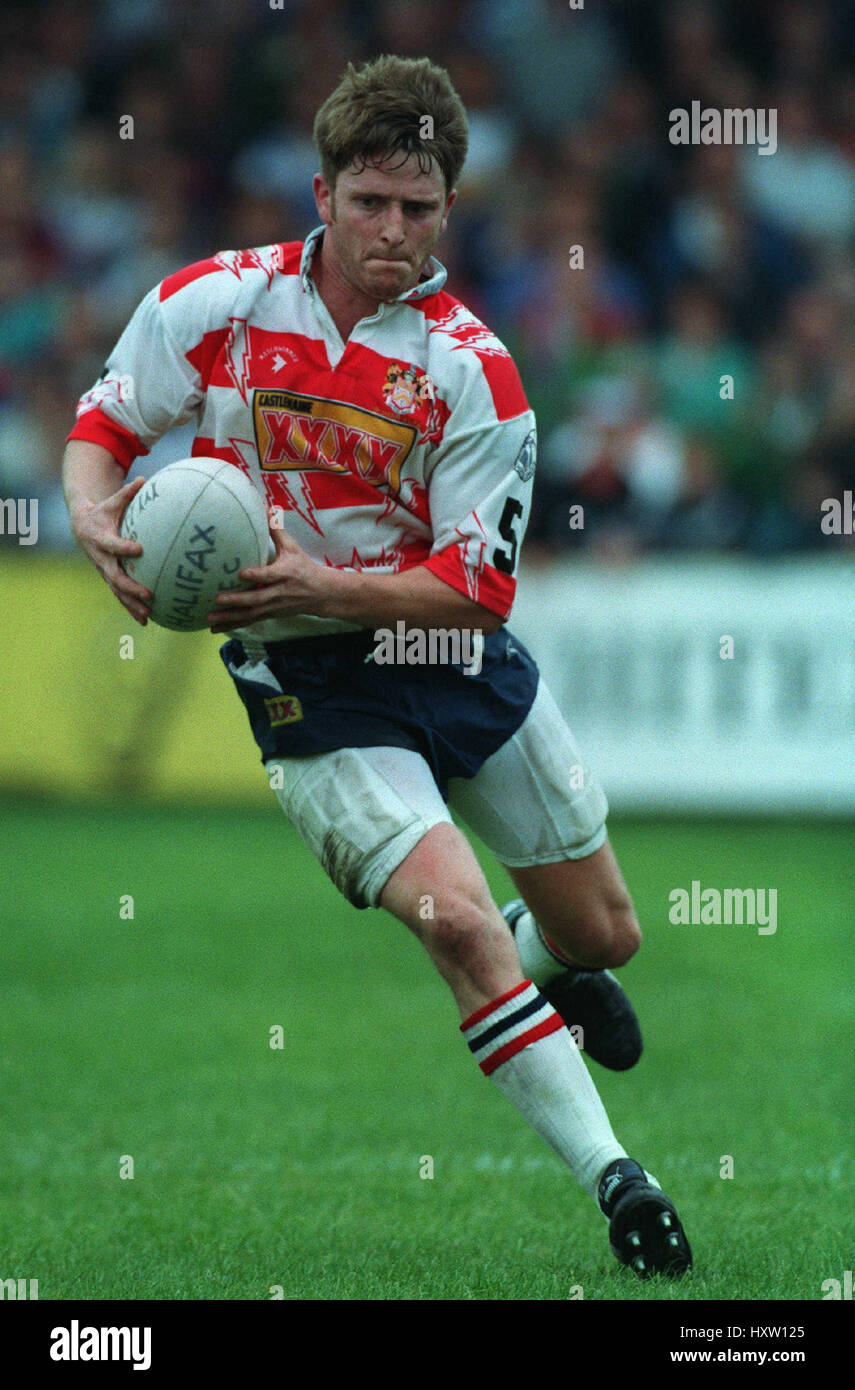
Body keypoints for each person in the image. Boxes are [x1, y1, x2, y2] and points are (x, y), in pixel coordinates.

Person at [62, 55, 691, 1279]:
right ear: (322, 193)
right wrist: (92, 518)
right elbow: (104, 426)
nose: (392, 230)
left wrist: (327, 583)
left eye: (417, 207)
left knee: (606, 935)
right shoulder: (217, 301)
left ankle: (545, 956)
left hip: (448, 655)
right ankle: (621, 1180)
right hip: (311, 684)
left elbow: (476, 594)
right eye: (369, 202)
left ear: (449, 209)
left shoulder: (474, 370)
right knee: (458, 928)